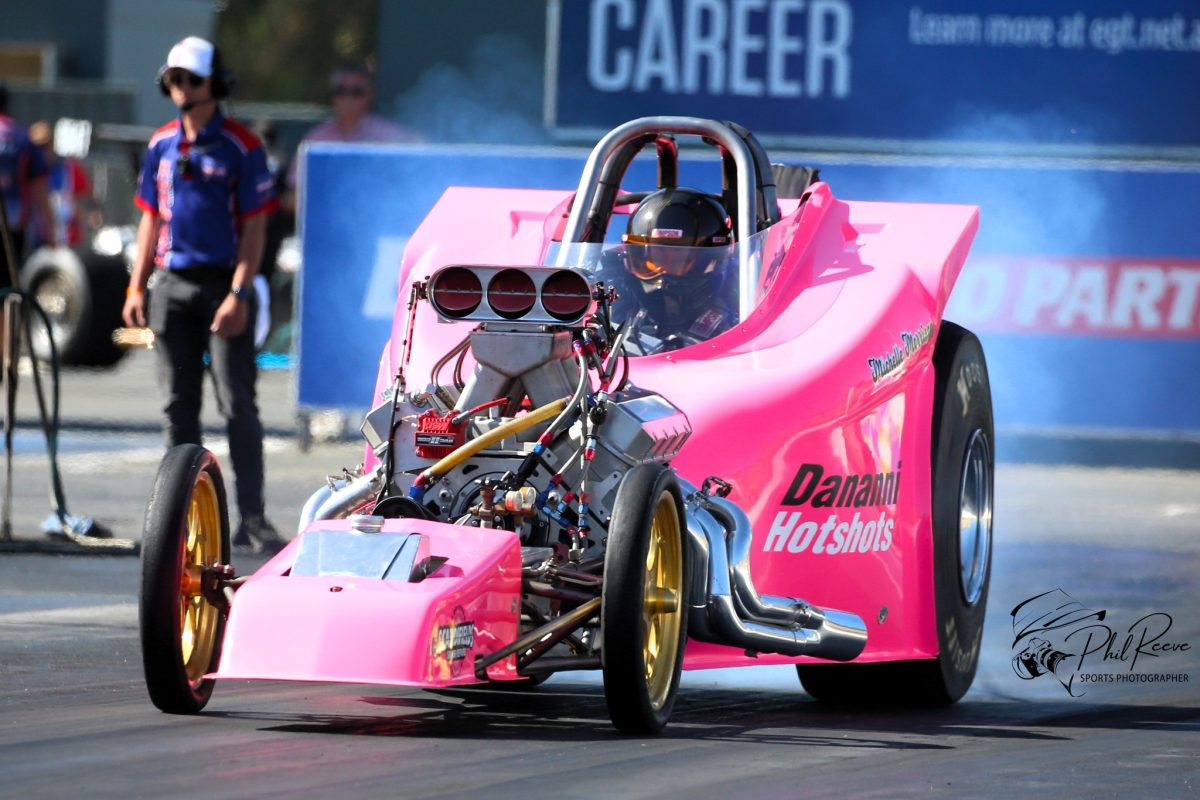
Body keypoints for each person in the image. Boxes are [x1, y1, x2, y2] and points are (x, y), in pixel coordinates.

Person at [120, 37, 284, 554]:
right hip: (171, 285)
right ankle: (181, 517)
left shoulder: (242, 146)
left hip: (224, 286)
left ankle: (252, 517)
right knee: (178, 407)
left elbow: (256, 227)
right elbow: (149, 218)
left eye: (192, 79)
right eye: (175, 79)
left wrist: (239, 292)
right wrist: (136, 283)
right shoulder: (160, 144)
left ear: (215, 83)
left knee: (237, 404)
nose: (182, 88)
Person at [613, 186, 738, 353]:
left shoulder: (738, 303)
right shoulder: (614, 298)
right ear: (636, 255)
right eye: (658, 256)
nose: (664, 270)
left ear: (709, 259)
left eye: (680, 258)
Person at [283, 62, 420, 212]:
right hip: (327, 218)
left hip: (376, 215)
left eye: (356, 92)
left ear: (369, 95)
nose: (348, 98)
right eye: (341, 91)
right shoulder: (315, 140)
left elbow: (420, 157)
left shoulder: (386, 133)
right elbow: (292, 198)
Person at [0, 82, 54, 286]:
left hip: (13, 224)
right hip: (13, 227)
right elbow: (39, 189)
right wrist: (50, 229)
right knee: (9, 285)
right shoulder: (21, 138)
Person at [27, 120, 103, 249]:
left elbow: (87, 195)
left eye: (46, 145)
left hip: (63, 238)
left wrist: (91, 214)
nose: (42, 151)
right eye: (38, 147)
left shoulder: (67, 167)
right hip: (32, 235)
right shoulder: (24, 168)